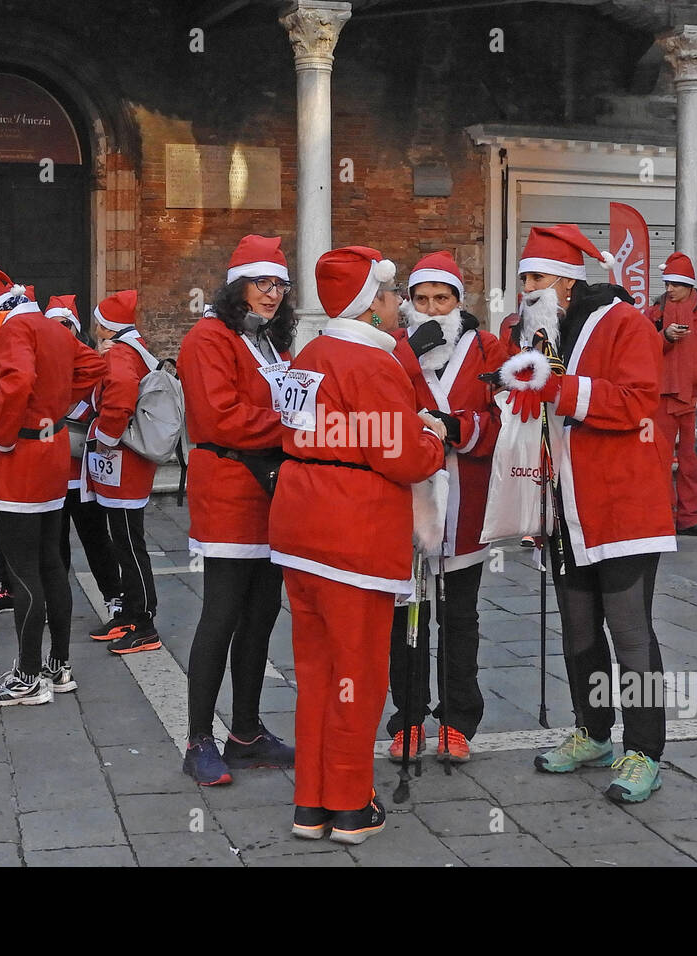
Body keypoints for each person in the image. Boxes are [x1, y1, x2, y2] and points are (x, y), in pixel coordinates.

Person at [269, 246, 447, 844]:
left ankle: (310, 804)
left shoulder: (309, 355)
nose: (399, 306)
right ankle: (349, 804)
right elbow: (397, 455)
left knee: (317, 672)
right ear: (372, 303)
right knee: (359, 672)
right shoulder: (371, 364)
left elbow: (293, 427)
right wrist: (435, 440)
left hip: (298, 527)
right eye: (393, 295)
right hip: (354, 532)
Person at [495, 224, 674, 804]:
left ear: (568, 283)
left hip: (622, 505)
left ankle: (644, 750)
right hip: (564, 508)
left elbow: (637, 402)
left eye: (537, 278)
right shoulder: (534, 333)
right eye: (523, 279)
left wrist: (559, 388)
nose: (526, 289)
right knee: (577, 629)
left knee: (630, 632)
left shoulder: (624, 324)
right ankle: (594, 732)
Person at [176, 234, 299, 785]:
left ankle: (246, 732)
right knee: (221, 614)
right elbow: (221, 415)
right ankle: (198, 738)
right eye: (262, 283)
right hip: (227, 486)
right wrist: (296, 428)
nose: (272, 294)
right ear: (237, 286)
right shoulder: (207, 338)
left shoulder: (267, 340)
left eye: (279, 285)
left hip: (271, 489)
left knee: (262, 613)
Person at [0, 262, 106, 705]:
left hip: (21, 457)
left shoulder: (11, 333)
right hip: (54, 450)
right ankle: (59, 667)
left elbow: (18, 381)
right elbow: (94, 365)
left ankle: (26, 676)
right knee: (51, 566)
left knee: (23, 571)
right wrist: (56, 406)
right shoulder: (52, 327)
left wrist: (1, 435)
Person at [386, 251, 507, 764]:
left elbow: (508, 419)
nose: (432, 308)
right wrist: (407, 357)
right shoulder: (394, 349)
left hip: (467, 499)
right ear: (408, 304)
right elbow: (380, 406)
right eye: (421, 299)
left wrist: (459, 428)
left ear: (460, 301)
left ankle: (458, 721)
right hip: (408, 501)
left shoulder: (487, 348)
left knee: (460, 617)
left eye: (443, 298)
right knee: (406, 618)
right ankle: (408, 719)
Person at [84, 290, 162, 656]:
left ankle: (144, 621)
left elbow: (119, 397)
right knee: (124, 542)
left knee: (129, 544)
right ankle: (131, 613)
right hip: (127, 462)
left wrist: (104, 437)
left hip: (123, 462)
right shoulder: (133, 348)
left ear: (104, 326)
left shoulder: (119, 354)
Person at [645, 252, 697, 537]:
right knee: (658, 461)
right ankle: (663, 517)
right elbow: (643, 350)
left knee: (691, 462)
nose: (669, 289)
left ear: (689, 285)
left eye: (675, 284)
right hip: (662, 395)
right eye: (667, 283)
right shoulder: (654, 312)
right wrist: (665, 337)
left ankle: (688, 518)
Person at [47, 294, 122, 612]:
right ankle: (56, 603)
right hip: (50, 471)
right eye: (54, 326)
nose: (61, 331)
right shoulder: (41, 364)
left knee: (96, 539)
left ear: (76, 329)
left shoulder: (94, 362)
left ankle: (114, 597)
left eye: (66, 324)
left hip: (82, 471)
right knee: (54, 544)